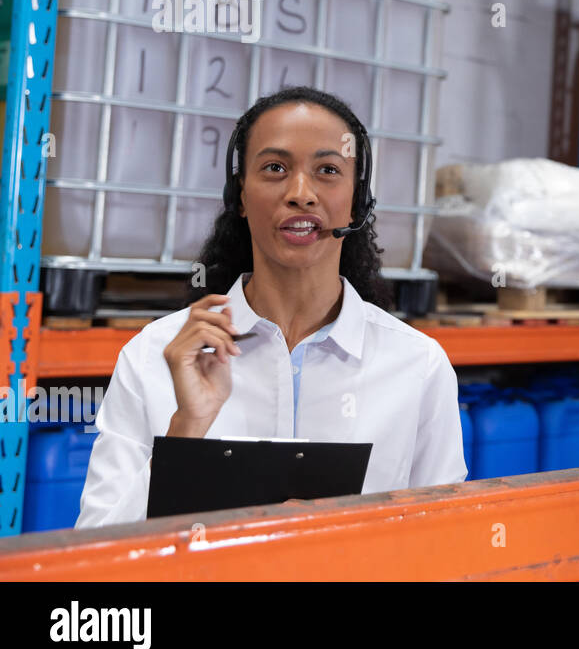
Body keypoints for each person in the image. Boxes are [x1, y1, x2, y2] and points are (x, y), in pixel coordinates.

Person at [77, 86, 466, 528]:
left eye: (327, 170)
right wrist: (186, 427)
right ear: (240, 196)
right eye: (275, 168)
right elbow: (97, 550)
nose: (301, 193)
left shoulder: (418, 366)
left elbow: (442, 539)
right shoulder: (154, 356)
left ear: (356, 200)